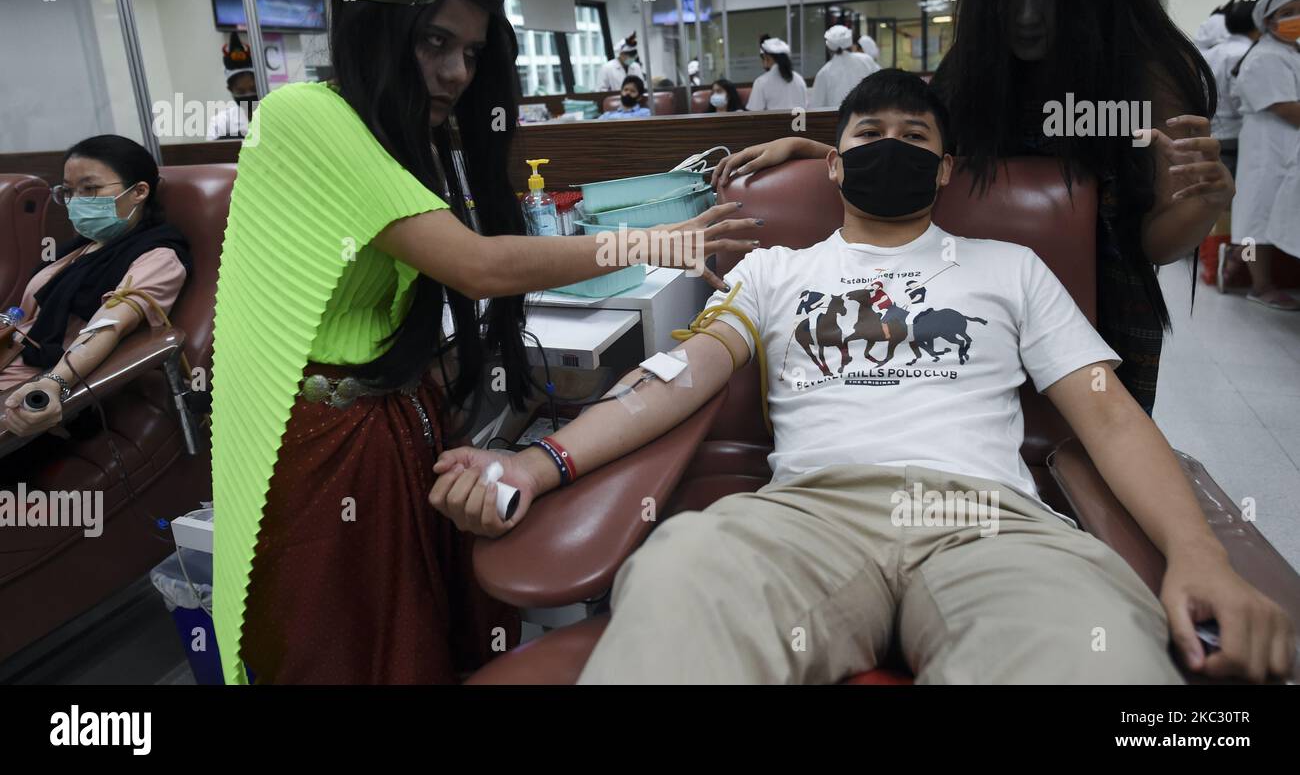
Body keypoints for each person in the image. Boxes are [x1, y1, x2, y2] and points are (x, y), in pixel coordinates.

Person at [432, 71, 1293, 684]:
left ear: (945, 169)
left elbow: (1107, 414)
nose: (892, 148)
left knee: (1088, 650)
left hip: (985, 523)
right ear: (834, 164)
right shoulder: (773, 271)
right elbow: (677, 376)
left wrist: (1199, 555)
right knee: (680, 576)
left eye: (916, 138)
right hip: (805, 519)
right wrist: (537, 462)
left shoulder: (1010, 267)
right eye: (869, 135)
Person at [209, 0, 760, 686]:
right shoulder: (302, 116)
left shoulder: (401, 139)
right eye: (434, 42)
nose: (458, 73)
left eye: (470, 51)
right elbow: (477, 265)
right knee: (344, 649)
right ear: (374, 27)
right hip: (324, 443)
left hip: (396, 419)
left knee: (424, 641)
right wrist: (654, 241)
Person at [712, 0, 1233, 414]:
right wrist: (816, 149)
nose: (1027, 16)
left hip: (1102, 305)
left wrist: (1205, 203)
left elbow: (1151, 245)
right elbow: (920, 157)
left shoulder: (1148, 78)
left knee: (1099, 437)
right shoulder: (976, 63)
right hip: (976, 289)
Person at [0, 135, 191, 455]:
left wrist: (54, 384)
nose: (76, 201)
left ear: (139, 192)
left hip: (34, 392)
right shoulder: (79, 249)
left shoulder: (159, 257)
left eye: (90, 189)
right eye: (69, 191)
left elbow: (109, 325)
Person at [1228, 0, 1300, 310]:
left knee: (1272, 213)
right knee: (1257, 216)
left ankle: (1235, 262)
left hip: (1285, 148)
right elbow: (1286, 108)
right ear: (1269, 21)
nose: (1296, 19)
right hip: (1268, 149)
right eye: (1289, 13)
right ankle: (1260, 285)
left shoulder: (1290, 52)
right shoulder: (1265, 58)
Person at [1206, 0, 1261, 177]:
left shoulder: (1212, 52)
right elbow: (1242, 98)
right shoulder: (1247, 54)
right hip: (1235, 135)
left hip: (1212, 130)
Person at [207, 32, 258, 141]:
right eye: (241, 91)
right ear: (230, 90)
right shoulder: (220, 122)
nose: (248, 95)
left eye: (253, 89)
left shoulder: (277, 117)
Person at [811, 24, 871, 109]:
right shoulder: (866, 60)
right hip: (866, 113)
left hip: (837, 116)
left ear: (829, 47)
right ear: (850, 43)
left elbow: (816, 105)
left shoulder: (824, 72)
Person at [746, 37, 807, 111]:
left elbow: (754, 112)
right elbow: (805, 107)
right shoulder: (799, 80)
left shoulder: (761, 82)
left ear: (767, 57)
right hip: (798, 119)